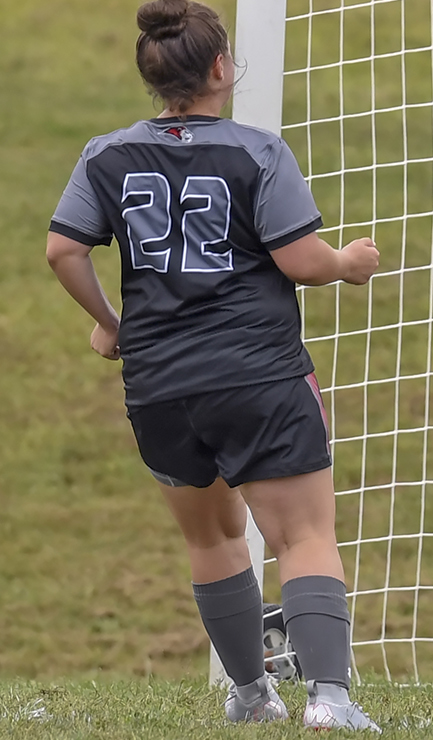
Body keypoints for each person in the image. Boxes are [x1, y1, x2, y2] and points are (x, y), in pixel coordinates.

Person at [45, 0, 382, 731]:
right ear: (222, 68)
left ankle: (253, 695)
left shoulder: (105, 155)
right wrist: (347, 263)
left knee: (213, 539)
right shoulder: (258, 152)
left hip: (160, 386)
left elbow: (63, 250)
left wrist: (113, 324)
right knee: (303, 536)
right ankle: (329, 699)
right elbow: (301, 260)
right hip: (257, 375)